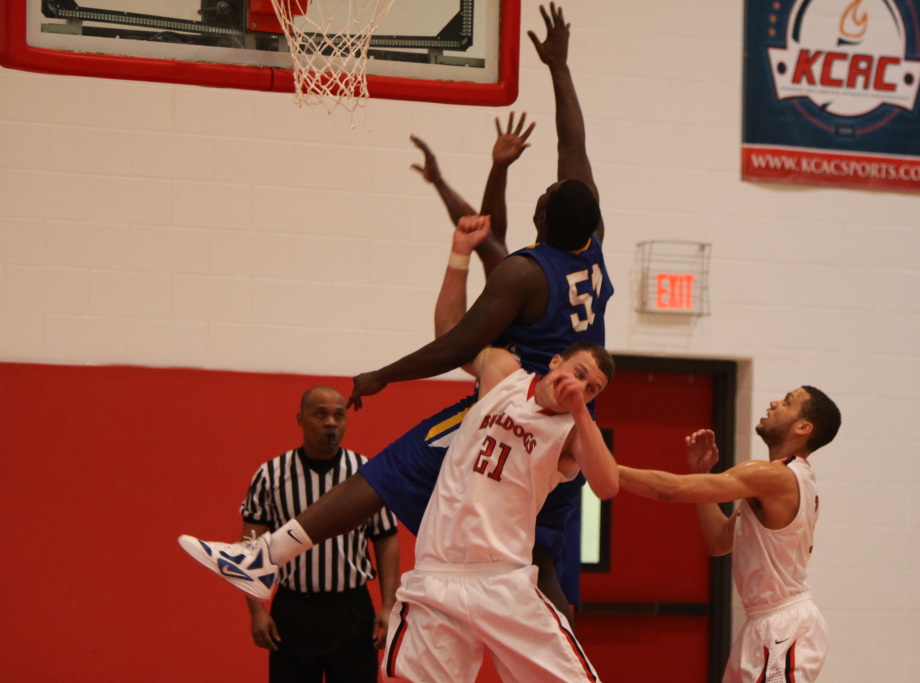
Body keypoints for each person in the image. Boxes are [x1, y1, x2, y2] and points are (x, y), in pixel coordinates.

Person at [179, 2, 610, 624]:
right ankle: (570, 662)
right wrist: (560, 70)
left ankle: (266, 556)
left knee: (390, 468)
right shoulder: (591, 244)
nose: (545, 192)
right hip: (574, 422)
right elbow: (576, 144)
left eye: (541, 197)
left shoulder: (524, 271)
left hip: (523, 406)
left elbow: (457, 344)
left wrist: (383, 375)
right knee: (537, 557)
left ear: (542, 221)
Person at [381, 340, 618, 683]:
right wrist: (457, 281)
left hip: (503, 580)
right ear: (555, 361)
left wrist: (581, 411)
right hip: (436, 576)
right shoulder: (504, 374)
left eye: (591, 389)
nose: (580, 387)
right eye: (578, 374)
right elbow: (452, 337)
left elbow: (607, 485)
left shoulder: (572, 432)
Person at [616, 387, 841, 683]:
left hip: (784, 626)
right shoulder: (786, 477)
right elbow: (720, 541)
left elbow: (670, 490)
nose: (774, 402)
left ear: (803, 427)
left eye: (787, 402)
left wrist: (603, 467)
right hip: (762, 624)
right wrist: (704, 472)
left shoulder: (775, 476)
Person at [181, 386, 400, 683]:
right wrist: (256, 612)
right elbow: (250, 546)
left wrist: (388, 606)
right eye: (321, 414)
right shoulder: (271, 474)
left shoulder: (366, 473)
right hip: (295, 609)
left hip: (351, 609)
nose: (331, 423)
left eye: (339, 415)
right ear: (300, 419)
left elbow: (386, 538)